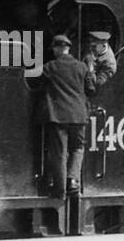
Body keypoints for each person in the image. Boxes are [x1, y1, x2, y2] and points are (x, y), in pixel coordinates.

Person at [41, 34, 96, 197]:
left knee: (59, 151)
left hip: (58, 116)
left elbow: (35, 83)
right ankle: (73, 181)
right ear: (68, 48)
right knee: (78, 148)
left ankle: (59, 189)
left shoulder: (49, 67)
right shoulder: (81, 67)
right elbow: (91, 89)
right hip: (79, 115)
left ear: (57, 49)